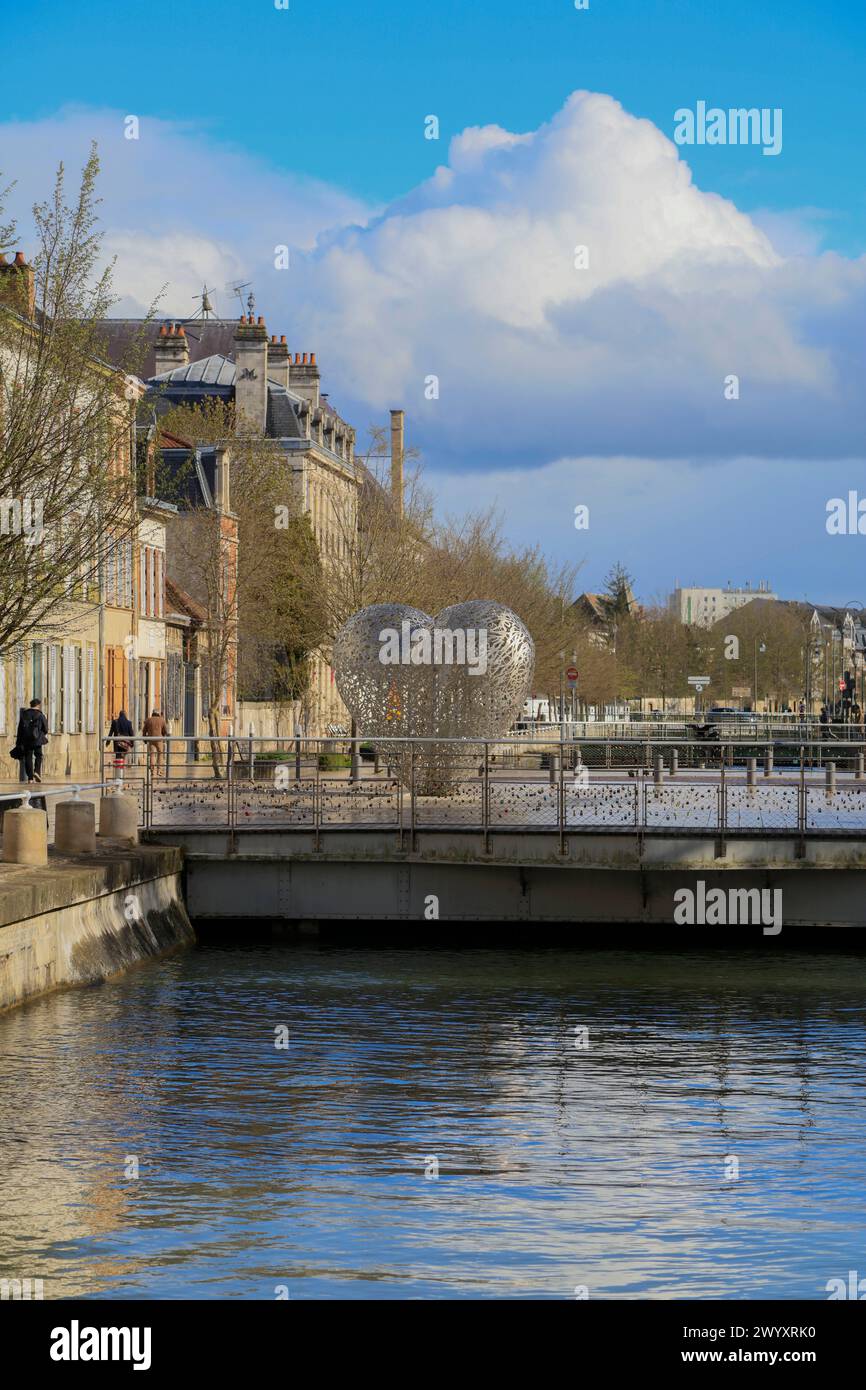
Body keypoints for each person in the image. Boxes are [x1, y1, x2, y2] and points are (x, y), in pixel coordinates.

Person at [15, 698, 49, 783]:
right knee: (38, 755)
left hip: (26, 740)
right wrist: (40, 735)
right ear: (38, 705)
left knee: (28, 757)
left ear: (31, 705)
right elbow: (45, 729)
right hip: (37, 740)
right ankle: (36, 772)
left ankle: (30, 778)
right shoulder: (40, 715)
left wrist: (19, 741)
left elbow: (20, 729)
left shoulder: (24, 714)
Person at [142, 708, 169, 777]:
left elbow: (144, 731)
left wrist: (144, 739)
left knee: (152, 755)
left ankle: (152, 771)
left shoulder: (148, 720)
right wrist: (163, 736)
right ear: (158, 713)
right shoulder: (162, 720)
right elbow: (165, 731)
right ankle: (159, 770)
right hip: (159, 739)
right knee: (160, 754)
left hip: (151, 739)